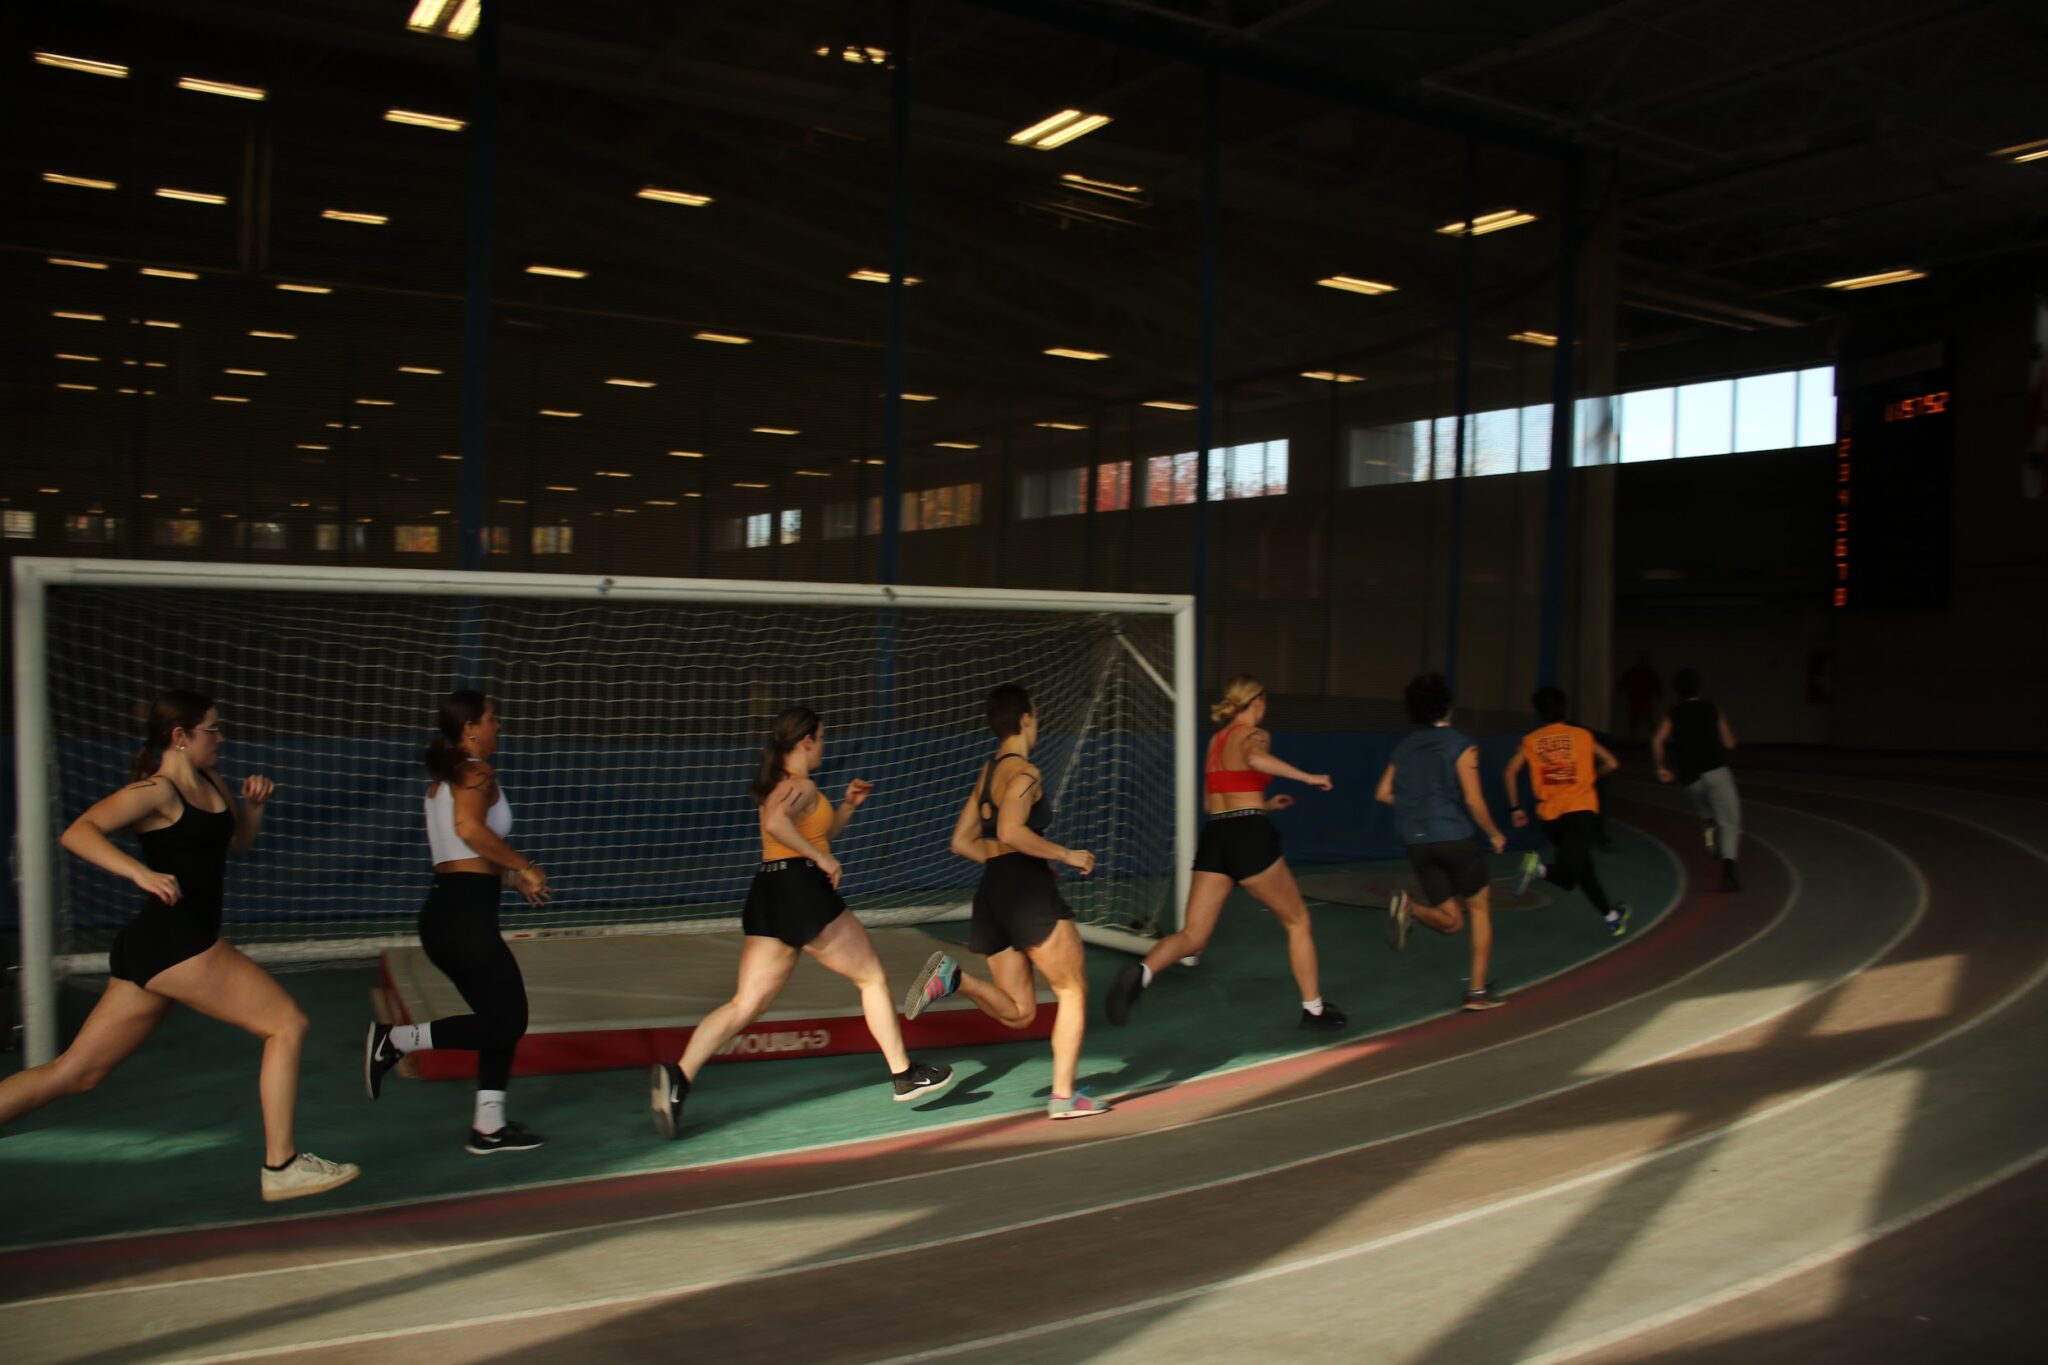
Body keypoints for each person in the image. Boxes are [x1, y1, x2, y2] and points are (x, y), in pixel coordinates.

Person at [0, 691, 358, 1202]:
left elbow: (237, 843)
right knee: (286, 1024)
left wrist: (253, 808)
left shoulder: (211, 781)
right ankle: (281, 1166)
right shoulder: (155, 791)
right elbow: (79, 833)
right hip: (178, 943)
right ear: (180, 737)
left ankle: (283, 1166)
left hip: (160, 947)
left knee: (75, 1074)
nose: (220, 737)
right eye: (211, 730)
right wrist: (139, 872)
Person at [647, 707, 954, 1137]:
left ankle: (679, 1077)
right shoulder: (798, 785)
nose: (825, 746)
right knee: (871, 979)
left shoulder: (790, 787)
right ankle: (905, 1075)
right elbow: (781, 826)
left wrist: (846, 807)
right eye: (822, 738)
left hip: (770, 892)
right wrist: (820, 858)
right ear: (805, 740)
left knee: (746, 1003)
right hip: (800, 891)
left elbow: (810, 836)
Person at [901, 684, 1108, 1119]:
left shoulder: (988, 770)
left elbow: (962, 841)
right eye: (1036, 712)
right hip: (1026, 892)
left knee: (1019, 1013)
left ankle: (956, 979)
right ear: (1027, 718)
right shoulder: (1026, 773)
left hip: (993, 891)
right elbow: (1013, 832)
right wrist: (1064, 855)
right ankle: (1064, 1098)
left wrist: (1008, 863)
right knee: (1073, 990)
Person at [364, 690, 553, 1154]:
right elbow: (470, 831)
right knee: (508, 1021)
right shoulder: (476, 772)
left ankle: (489, 1126)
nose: (498, 725)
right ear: (470, 728)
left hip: (450, 911)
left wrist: (510, 879)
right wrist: (524, 864)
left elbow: (459, 858)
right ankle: (395, 1040)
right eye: (491, 718)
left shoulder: (444, 780)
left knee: (498, 1017)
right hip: (463, 919)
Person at [1104, 675, 1345, 1031]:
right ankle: (1314, 1011)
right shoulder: (1253, 735)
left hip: (1216, 836)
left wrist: (1265, 804)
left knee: (1193, 937)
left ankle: (1142, 973)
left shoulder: (1215, 742)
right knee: (1297, 922)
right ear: (1257, 702)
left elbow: (1211, 802)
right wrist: (1308, 777)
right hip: (1250, 836)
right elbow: (1257, 760)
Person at [1377, 673, 1511, 1011]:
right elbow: (1474, 801)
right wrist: (1494, 833)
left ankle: (1412, 909)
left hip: (1418, 843)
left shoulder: (1404, 747)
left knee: (1451, 921)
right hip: (1453, 837)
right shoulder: (1460, 744)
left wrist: (1416, 807)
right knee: (1480, 910)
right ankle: (1477, 992)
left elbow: (1383, 793)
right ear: (1449, 706)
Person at [1504, 687, 1632, 938]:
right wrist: (1593, 776)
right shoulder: (1582, 735)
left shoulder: (1531, 741)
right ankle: (1537, 870)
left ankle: (1611, 917)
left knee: (1584, 870)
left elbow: (1509, 773)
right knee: (1569, 875)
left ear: (1539, 713)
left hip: (1551, 819)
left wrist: (1516, 808)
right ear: (1565, 709)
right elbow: (1613, 763)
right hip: (1580, 812)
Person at [1652, 668, 1743, 892]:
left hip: (1689, 777)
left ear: (1677, 691)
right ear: (1699, 687)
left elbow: (1657, 741)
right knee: (1730, 823)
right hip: (1715, 771)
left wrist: (1661, 767)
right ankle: (1729, 873)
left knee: (1701, 802)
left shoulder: (1673, 713)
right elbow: (1730, 742)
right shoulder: (1712, 708)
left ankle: (1706, 822)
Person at [1616, 651, 1664, 747]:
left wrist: (1660, 694)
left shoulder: (1648, 672)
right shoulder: (1633, 672)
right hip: (1635, 701)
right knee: (1634, 723)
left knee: (1648, 722)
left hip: (1645, 701)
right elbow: (1623, 683)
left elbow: (1657, 685)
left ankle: (1654, 743)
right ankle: (1632, 744)